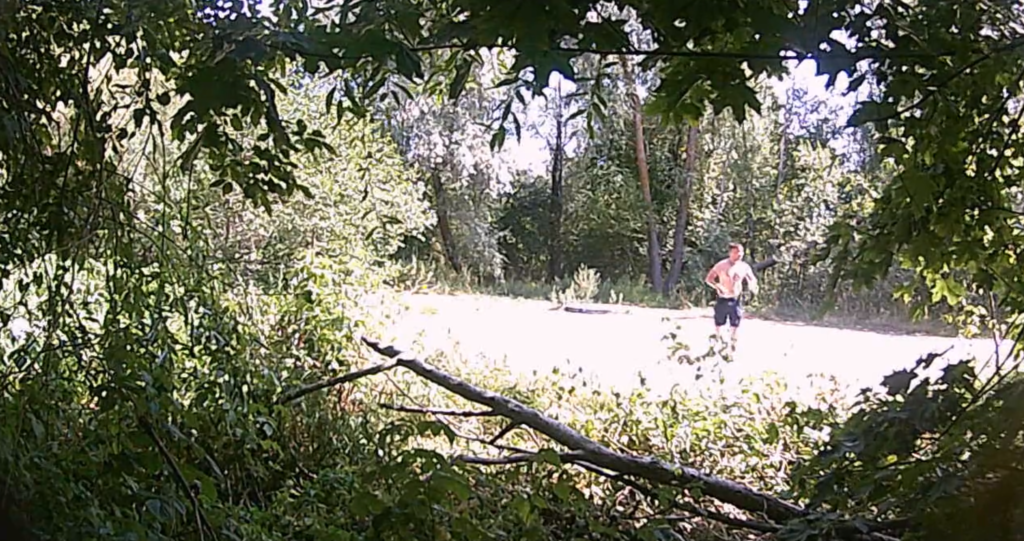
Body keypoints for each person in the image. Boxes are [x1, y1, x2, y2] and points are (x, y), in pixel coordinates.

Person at [704, 242, 758, 348]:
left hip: (736, 298)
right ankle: (717, 342)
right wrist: (718, 286)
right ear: (730, 253)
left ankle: (733, 344)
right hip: (723, 298)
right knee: (719, 322)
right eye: (736, 252)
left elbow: (752, 278)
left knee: (735, 322)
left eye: (741, 252)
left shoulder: (744, 267)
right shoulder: (721, 265)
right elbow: (709, 279)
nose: (739, 254)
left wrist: (753, 286)